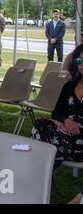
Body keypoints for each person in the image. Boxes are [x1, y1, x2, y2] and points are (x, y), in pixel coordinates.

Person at [31, 43, 83, 203]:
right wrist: (66, 120)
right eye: (80, 60)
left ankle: (35, 180)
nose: (82, 65)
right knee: (40, 125)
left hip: (80, 138)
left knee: (53, 145)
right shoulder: (69, 86)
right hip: (65, 132)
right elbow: (56, 112)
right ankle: (39, 177)